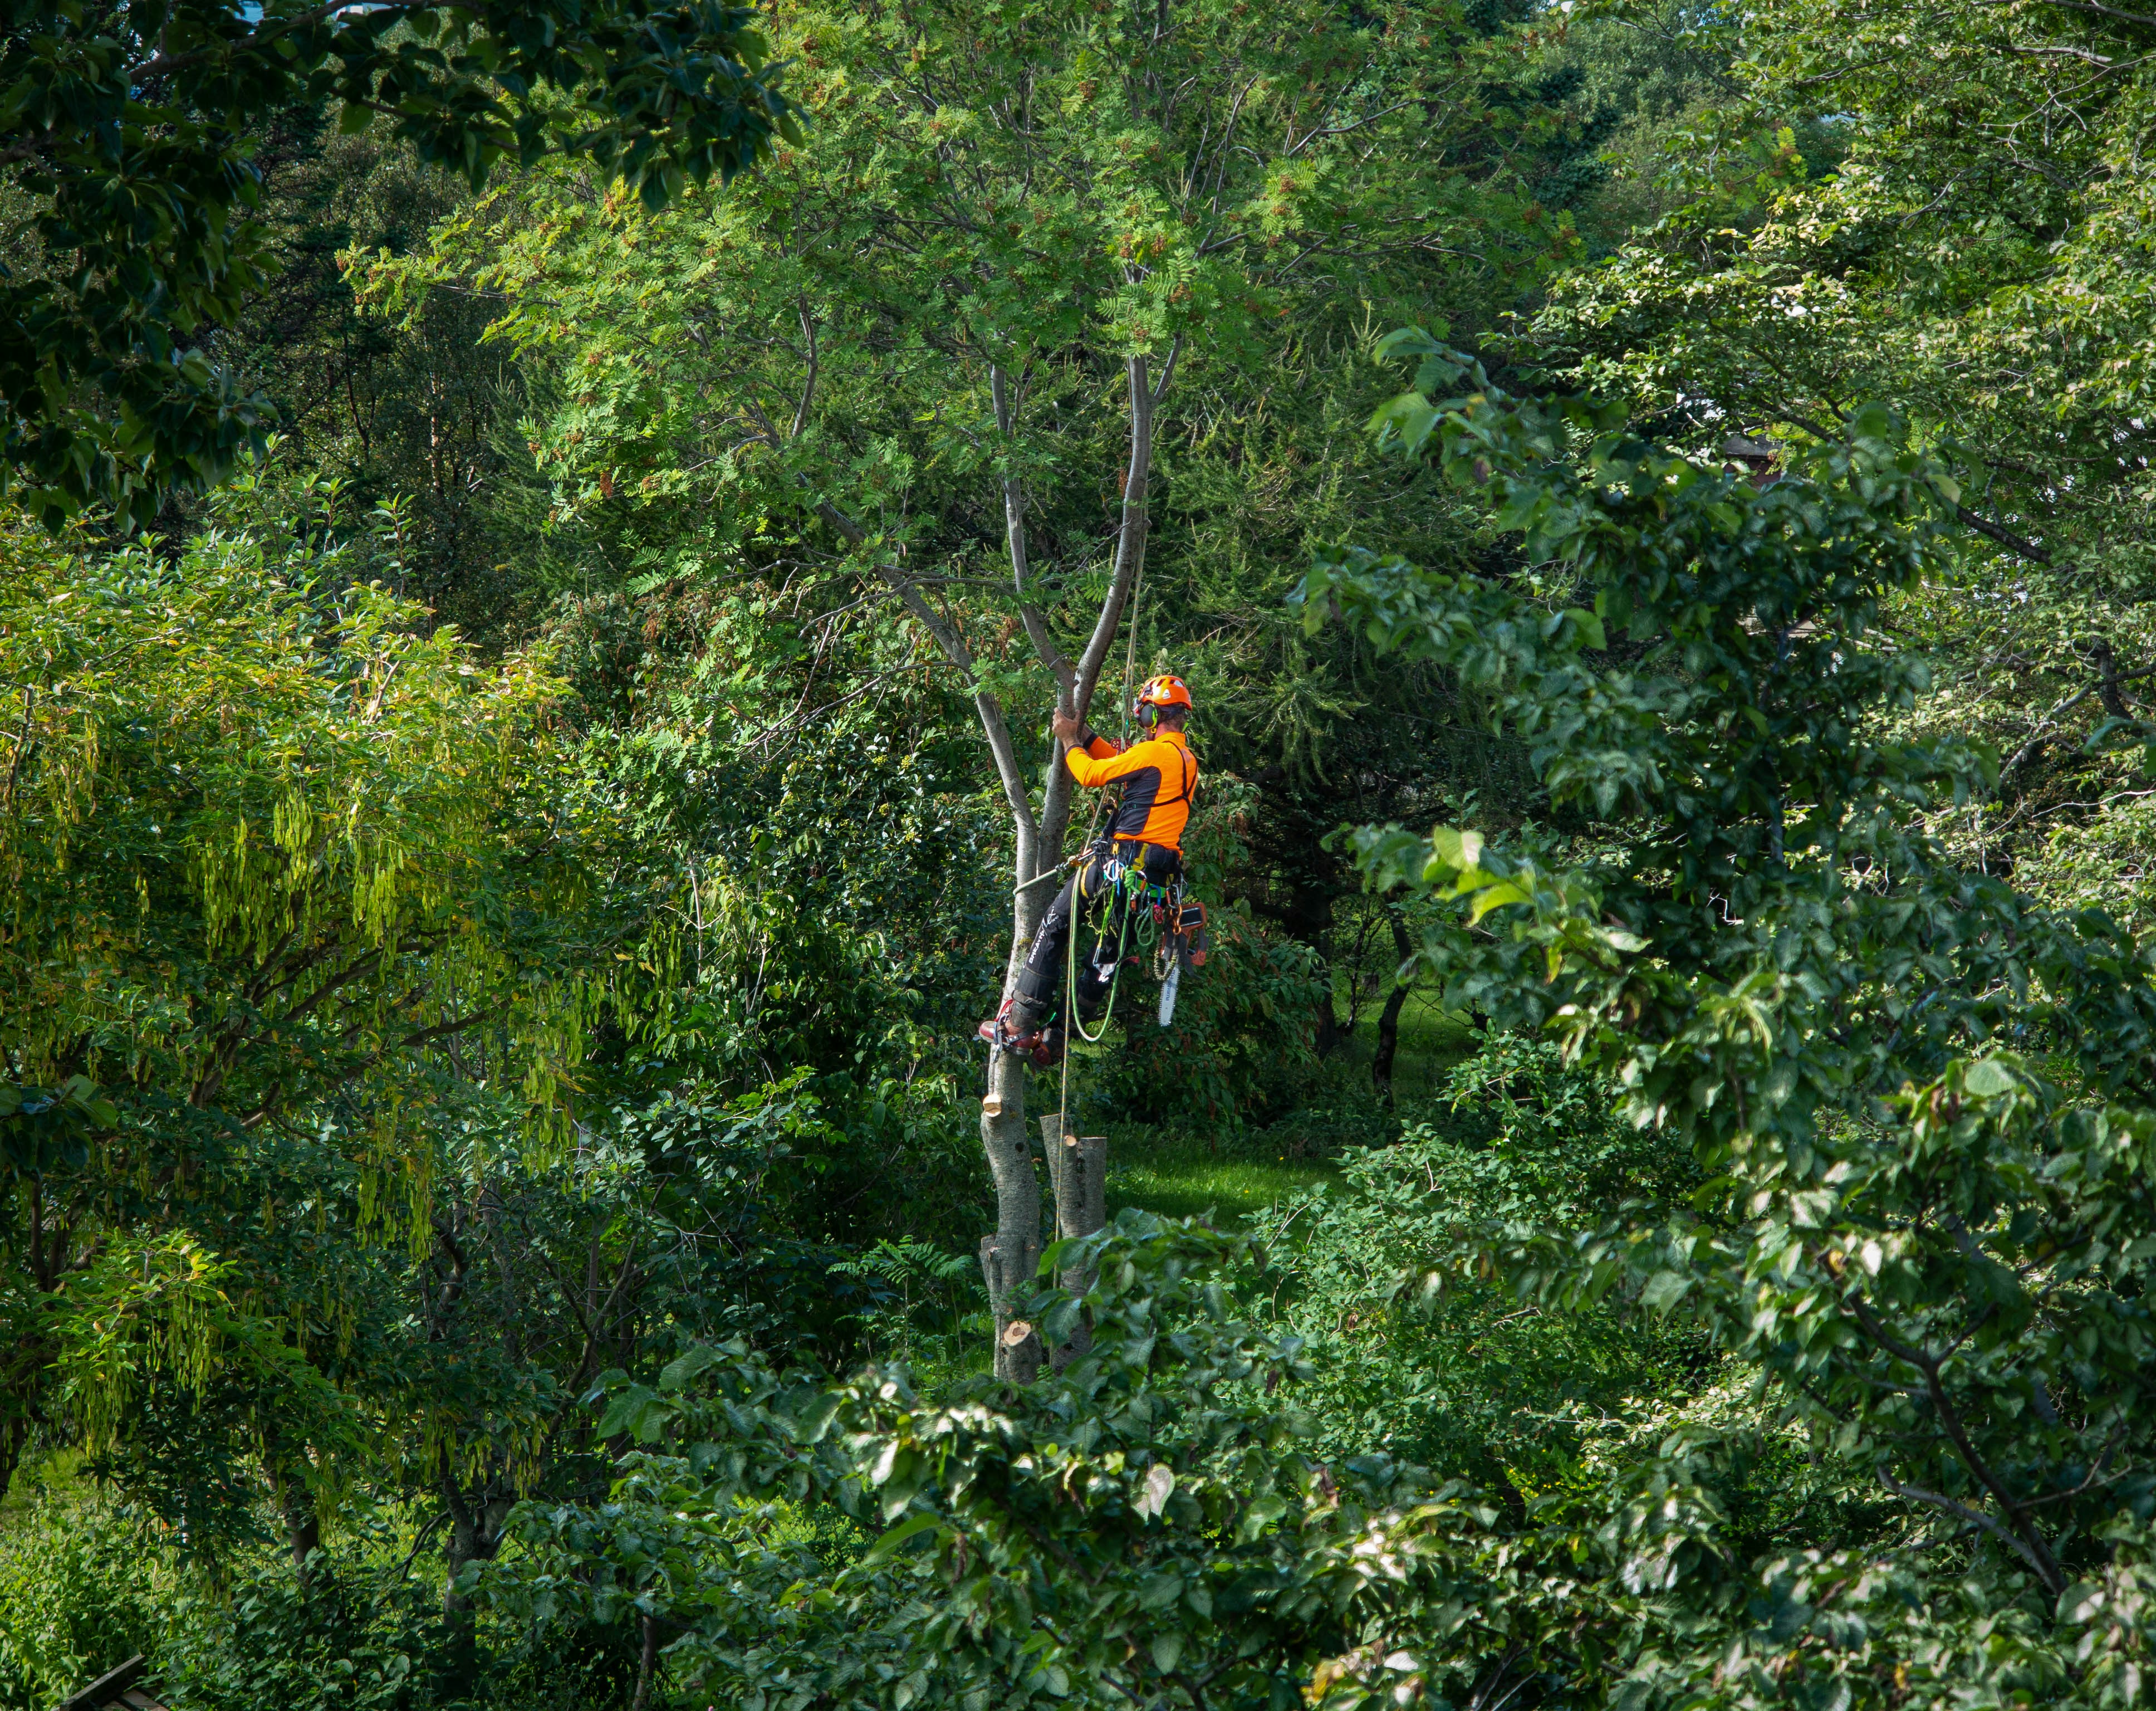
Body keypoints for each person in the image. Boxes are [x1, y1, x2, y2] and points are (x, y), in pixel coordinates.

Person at [979, 674, 1199, 1065]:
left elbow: (1091, 774)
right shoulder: (1185, 760)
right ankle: (1056, 1041)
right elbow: (1116, 763)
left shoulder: (1154, 755)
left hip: (1117, 867)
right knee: (1106, 959)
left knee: (1055, 923)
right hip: (1151, 881)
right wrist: (1082, 732)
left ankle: (1021, 1024)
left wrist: (1068, 740)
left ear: (1151, 714)